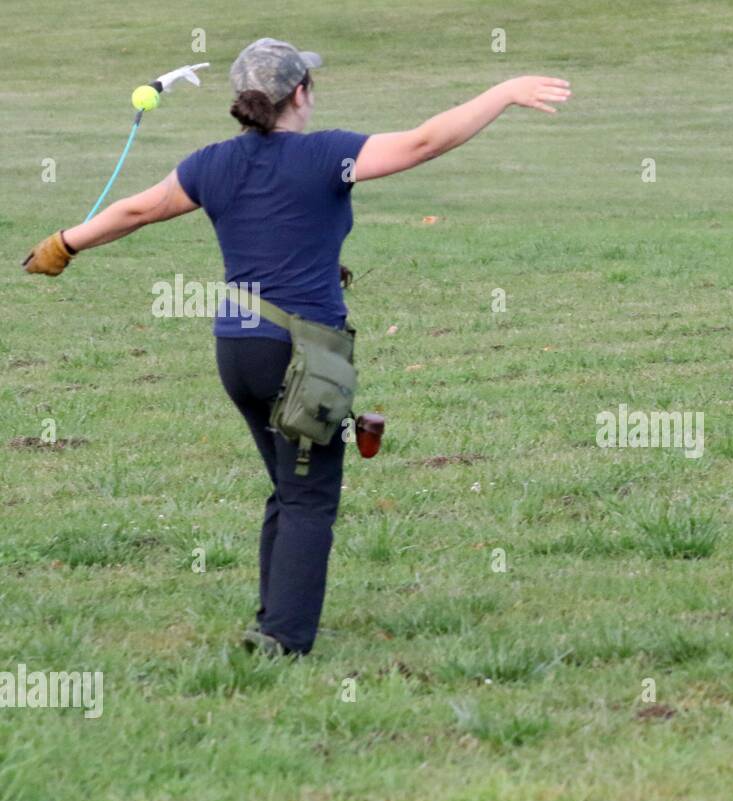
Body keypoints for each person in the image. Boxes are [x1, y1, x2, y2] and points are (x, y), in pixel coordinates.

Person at [22, 37, 571, 656]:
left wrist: (64, 243)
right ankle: (283, 640)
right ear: (301, 95)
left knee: (290, 483)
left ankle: (273, 620)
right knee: (310, 495)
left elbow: (137, 209)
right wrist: (503, 91)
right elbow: (424, 142)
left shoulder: (211, 163)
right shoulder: (326, 154)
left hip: (238, 350)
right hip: (303, 356)